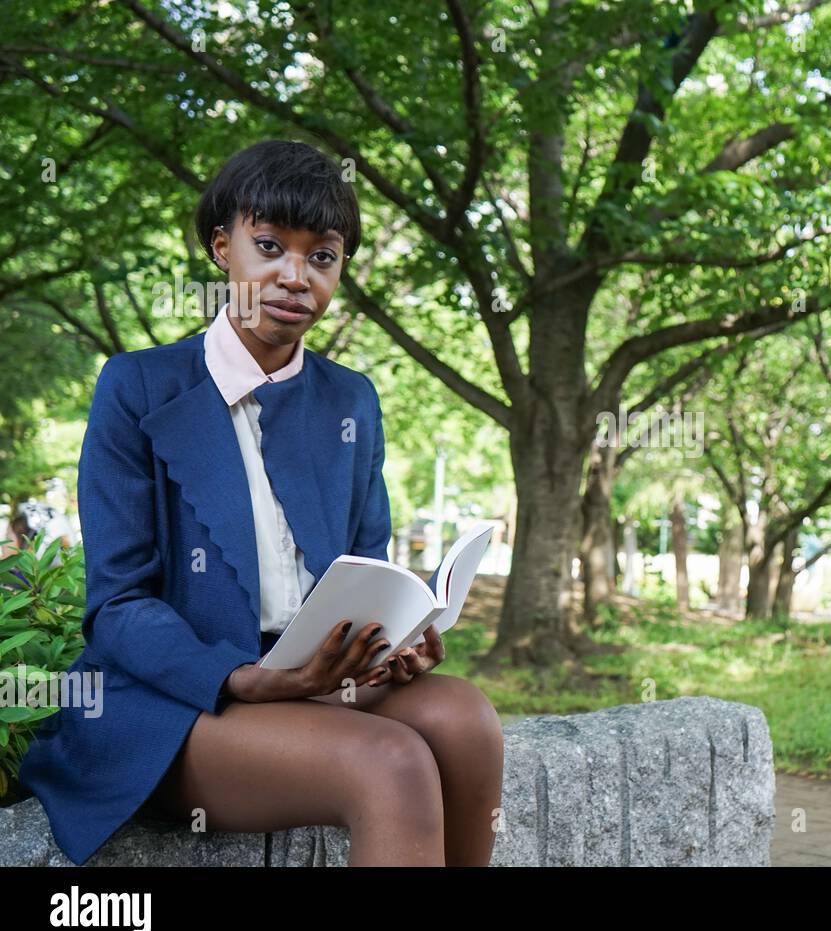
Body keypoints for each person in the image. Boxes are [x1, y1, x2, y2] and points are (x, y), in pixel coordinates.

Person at [18, 140, 504, 867]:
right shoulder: (138, 386)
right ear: (223, 248)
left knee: (466, 720)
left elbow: (365, 568)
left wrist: (388, 646)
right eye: (270, 246)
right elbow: (118, 604)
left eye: (323, 257)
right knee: (390, 763)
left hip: (314, 681)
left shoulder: (351, 401)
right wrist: (243, 677)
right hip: (177, 701)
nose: (294, 276)